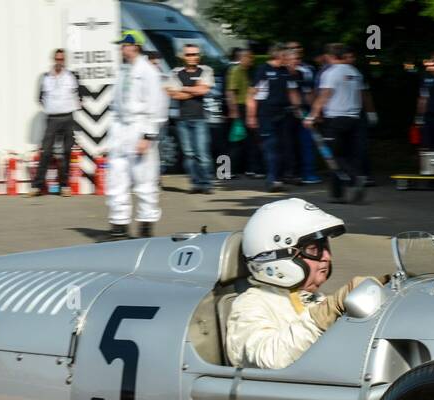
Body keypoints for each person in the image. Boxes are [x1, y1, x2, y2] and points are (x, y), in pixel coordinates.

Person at [225, 198, 374, 369]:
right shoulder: (251, 304)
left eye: (325, 247)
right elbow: (268, 358)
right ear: (278, 256)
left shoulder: (310, 298)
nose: (327, 256)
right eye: (314, 249)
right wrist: (326, 313)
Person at [105, 33, 165, 239]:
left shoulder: (148, 71)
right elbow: (115, 104)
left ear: (135, 46)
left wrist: (148, 135)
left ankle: (145, 228)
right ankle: (119, 226)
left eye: (124, 45)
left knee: (144, 180)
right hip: (121, 130)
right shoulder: (123, 70)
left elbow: (157, 105)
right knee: (116, 178)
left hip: (140, 128)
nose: (121, 49)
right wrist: (113, 134)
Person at [306, 43, 370, 203]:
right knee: (346, 154)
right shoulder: (355, 72)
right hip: (354, 119)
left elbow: (324, 95)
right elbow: (361, 95)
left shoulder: (331, 73)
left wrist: (312, 116)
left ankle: (356, 179)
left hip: (335, 119)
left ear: (331, 56)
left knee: (334, 156)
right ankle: (337, 194)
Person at [249, 44, 298, 192]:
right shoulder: (263, 70)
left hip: (283, 115)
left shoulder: (285, 71)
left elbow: (292, 91)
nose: (289, 58)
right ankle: (272, 179)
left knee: (283, 147)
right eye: (287, 55)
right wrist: (251, 116)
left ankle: (279, 177)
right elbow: (252, 94)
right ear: (279, 55)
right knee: (271, 147)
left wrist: (298, 108)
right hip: (266, 115)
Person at [31, 48, 80, 197]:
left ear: (64, 61)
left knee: (66, 152)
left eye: (62, 59)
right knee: (46, 152)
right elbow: (40, 97)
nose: (59, 62)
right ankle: (37, 187)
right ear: (53, 60)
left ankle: (64, 186)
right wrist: (51, 107)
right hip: (52, 119)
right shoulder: (46, 77)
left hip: (68, 118)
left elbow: (80, 93)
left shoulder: (71, 76)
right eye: (57, 59)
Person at [168, 43, 214, 193]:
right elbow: (173, 93)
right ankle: (196, 183)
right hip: (182, 119)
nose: (192, 57)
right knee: (189, 154)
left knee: (202, 153)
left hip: (200, 118)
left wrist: (184, 88)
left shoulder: (206, 70)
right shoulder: (176, 72)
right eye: (188, 54)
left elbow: (204, 90)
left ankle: (206, 183)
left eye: (195, 54)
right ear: (183, 56)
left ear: (199, 56)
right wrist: (194, 89)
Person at [286, 41, 321, 184]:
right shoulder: (280, 71)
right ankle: (291, 174)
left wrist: (314, 113)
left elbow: (309, 92)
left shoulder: (305, 71)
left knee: (307, 142)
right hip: (284, 114)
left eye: (297, 52)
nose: (295, 57)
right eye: (291, 52)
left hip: (302, 112)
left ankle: (308, 173)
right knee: (288, 145)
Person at [226, 47, 262, 179]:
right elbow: (230, 92)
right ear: (242, 58)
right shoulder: (236, 71)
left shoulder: (249, 71)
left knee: (251, 140)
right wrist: (234, 111)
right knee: (236, 141)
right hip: (240, 107)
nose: (251, 60)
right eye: (249, 57)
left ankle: (251, 169)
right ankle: (227, 171)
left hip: (247, 107)